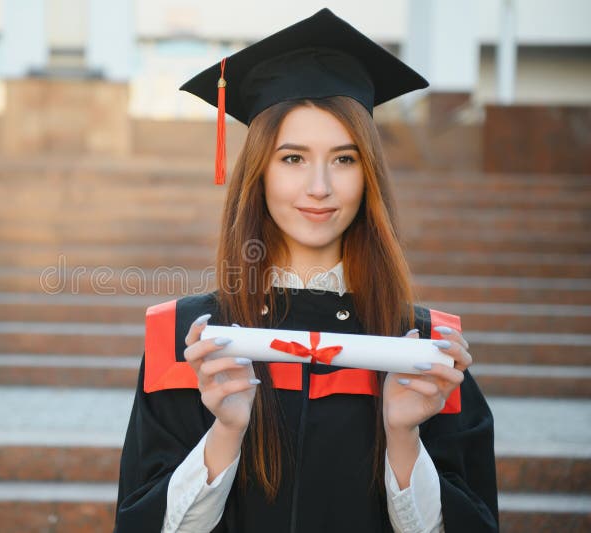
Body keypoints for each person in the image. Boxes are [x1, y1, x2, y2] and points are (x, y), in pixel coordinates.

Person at [115, 8, 498, 533]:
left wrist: (404, 439)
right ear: (259, 174)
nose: (319, 186)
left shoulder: (424, 352)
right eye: (292, 158)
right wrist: (224, 433)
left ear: (368, 175)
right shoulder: (189, 341)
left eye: (344, 159)